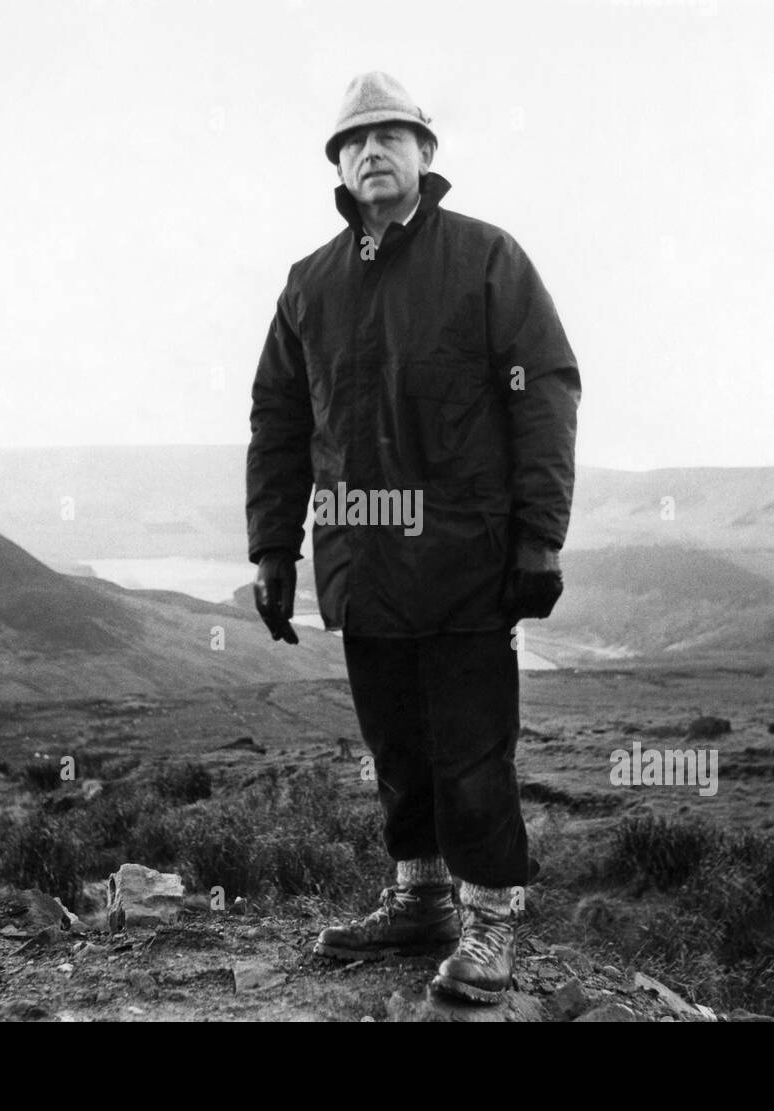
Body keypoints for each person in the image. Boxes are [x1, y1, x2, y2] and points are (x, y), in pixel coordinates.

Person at [246, 72, 580, 1004]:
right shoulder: (310, 285)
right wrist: (273, 549)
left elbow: (545, 388)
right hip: (361, 563)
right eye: (354, 142)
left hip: (466, 558)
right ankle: (420, 899)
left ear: (426, 153)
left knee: (471, 752)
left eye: (390, 135)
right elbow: (279, 422)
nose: (371, 152)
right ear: (338, 168)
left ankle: (491, 921)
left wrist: (540, 536)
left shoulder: (485, 258)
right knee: (395, 745)